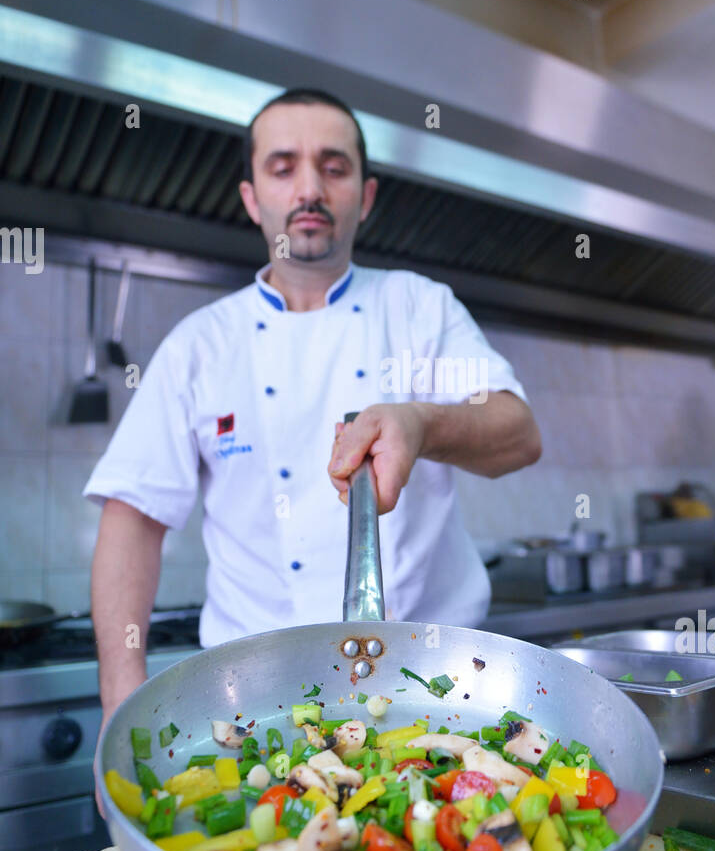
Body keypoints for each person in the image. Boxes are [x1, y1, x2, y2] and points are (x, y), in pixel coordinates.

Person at [85, 87, 542, 745]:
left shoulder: (419, 308)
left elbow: (518, 433)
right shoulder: (200, 345)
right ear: (251, 199)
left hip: (437, 696)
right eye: (282, 167)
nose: (309, 188)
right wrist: (118, 710)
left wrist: (423, 424)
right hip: (257, 709)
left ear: (366, 194)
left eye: (333, 167)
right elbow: (132, 516)